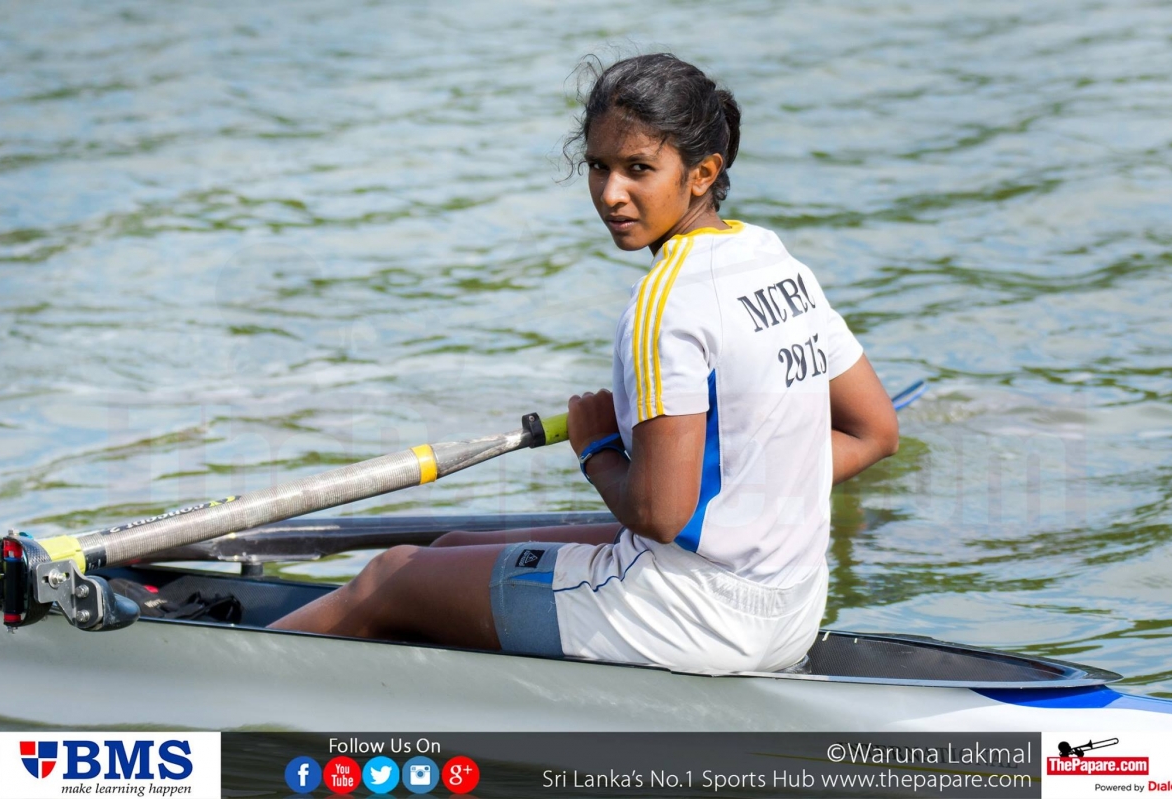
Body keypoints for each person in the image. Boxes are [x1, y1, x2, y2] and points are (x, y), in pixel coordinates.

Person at [270, 53, 898, 674]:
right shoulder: (775, 261)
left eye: (638, 169)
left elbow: (658, 514)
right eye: (599, 167)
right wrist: (752, 486)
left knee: (391, 577)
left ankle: (224, 678)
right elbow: (876, 433)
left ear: (703, 172)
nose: (611, 194)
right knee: (450, 549)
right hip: (791, 609)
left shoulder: (666, 301)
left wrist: (597, 447)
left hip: (690, 617)